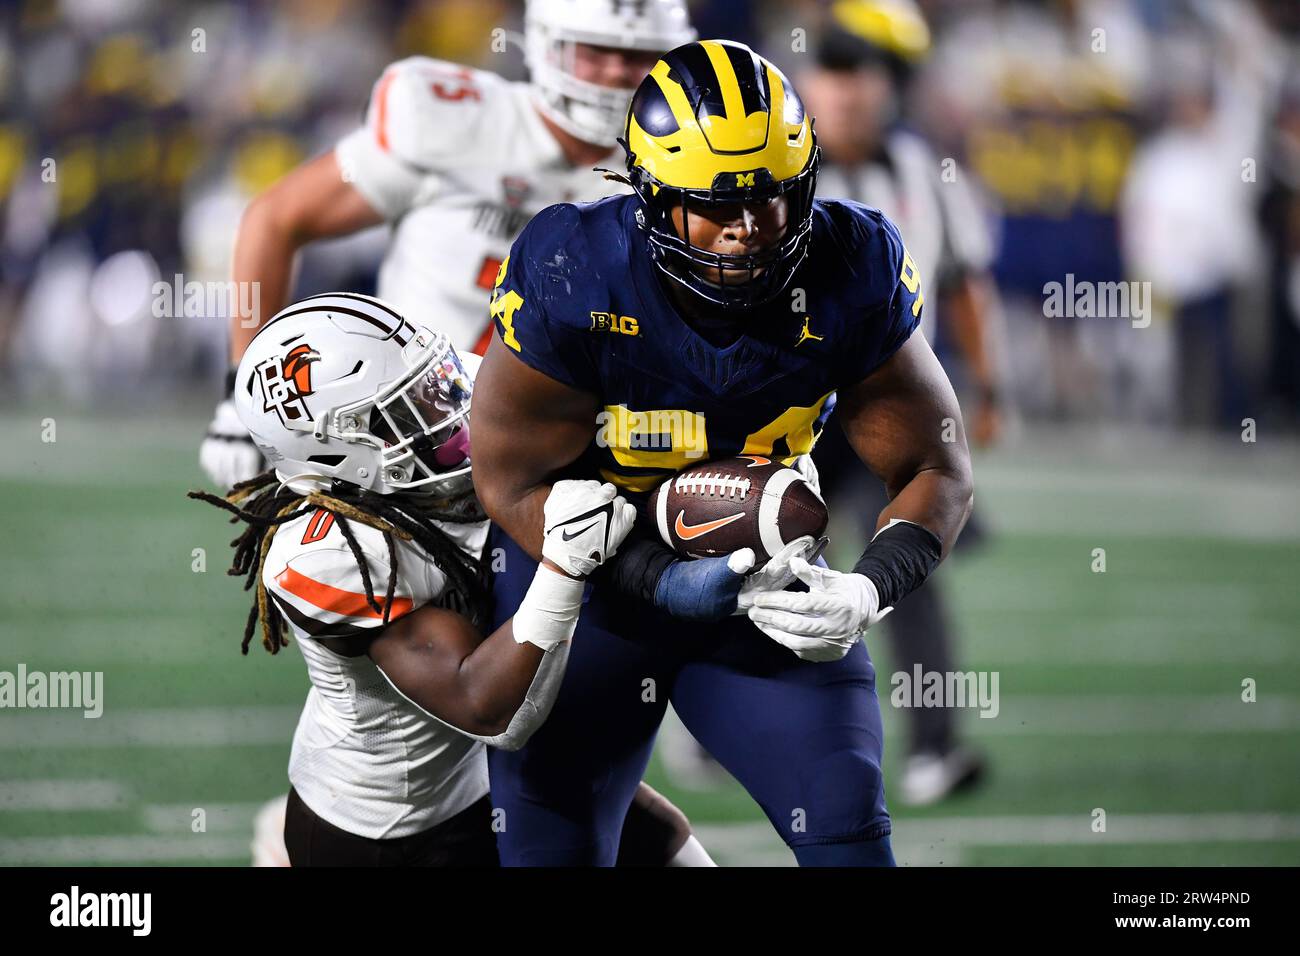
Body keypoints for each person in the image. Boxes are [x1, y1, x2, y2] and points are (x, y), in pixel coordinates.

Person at [470, 40, 974, 866]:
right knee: (552, 842)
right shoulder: (575, 270)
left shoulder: (850, 266)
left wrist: (864, 588)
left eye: (773, 199)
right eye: (716, 205)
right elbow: (511, 479)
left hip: (765, 584)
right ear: (652, 195)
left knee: (845, 820)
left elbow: (935, 466)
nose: (748, 231)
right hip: (584, 589)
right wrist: (657, 579)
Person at [193, 292, 711, 866]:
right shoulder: (330, 554)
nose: (448, 409)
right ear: (341, 458)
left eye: (435, 382)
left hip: (487, 773)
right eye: (407, 408)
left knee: (666, 844)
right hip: (387, 833)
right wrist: (563, 565)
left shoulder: (427, 476)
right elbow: (486, 706)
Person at [200, 0, 695, 491]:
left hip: (566, 458)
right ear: (547, 45)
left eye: (640, 56)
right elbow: (275, 219)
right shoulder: (456, 122)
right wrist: (237, 385)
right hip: (399, 438)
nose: (616, 73)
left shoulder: (683, 169)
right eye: (595, 51)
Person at [798, 0, 1002, 804]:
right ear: (812, 89)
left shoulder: (922, 171)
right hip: (794, 404)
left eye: (862, 82)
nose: (849, 99)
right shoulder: (777, 168)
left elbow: (963, 285)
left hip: (890, 400)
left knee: (912, 561)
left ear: (885, 89)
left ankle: (935, 749)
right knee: (760, 550)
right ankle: (715, 716)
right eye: (835, 82)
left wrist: (988, 387)